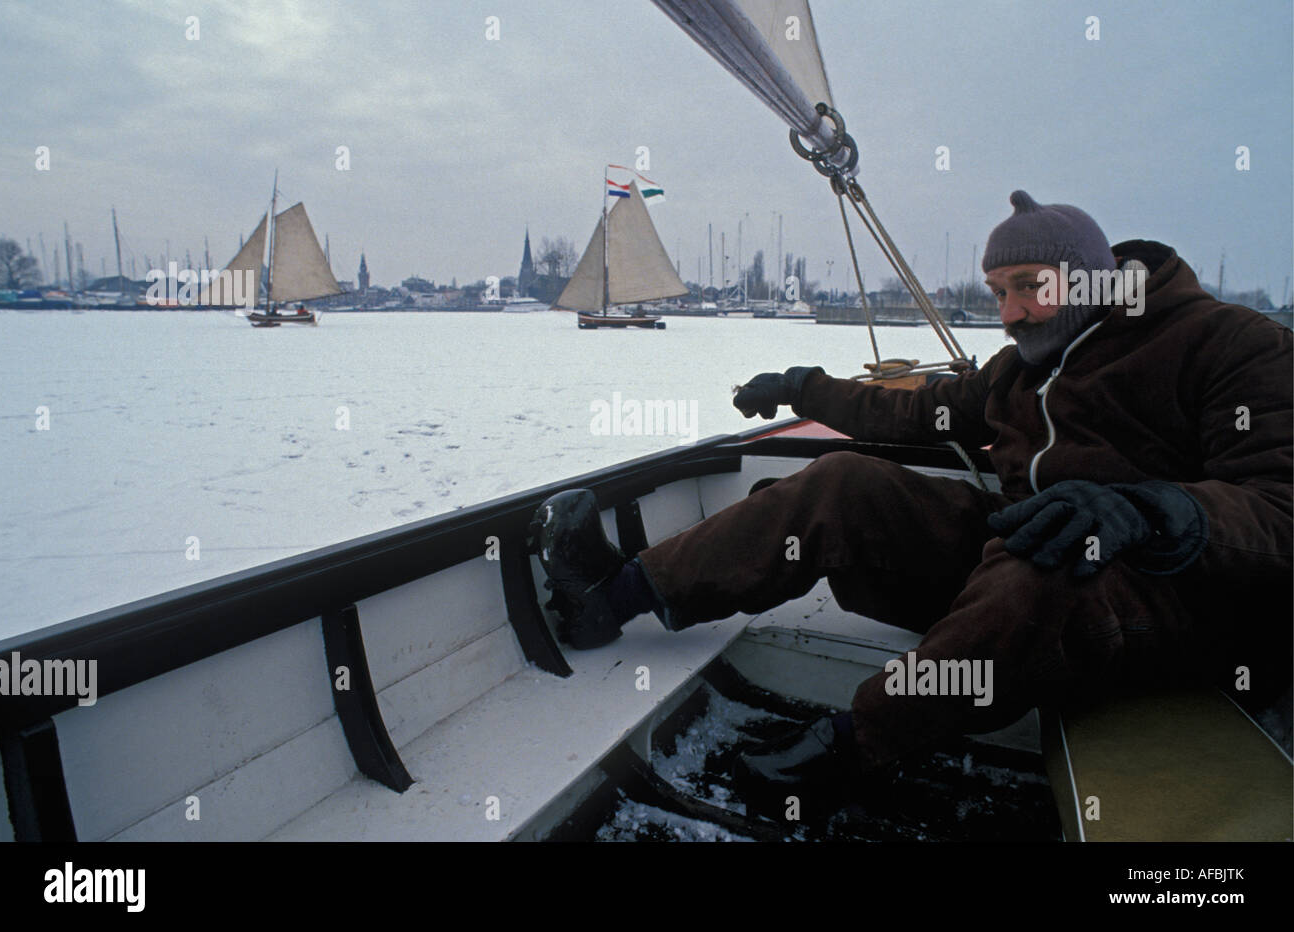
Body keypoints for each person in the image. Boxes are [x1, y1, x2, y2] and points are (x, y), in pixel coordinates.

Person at [533, 190, 1292, 816]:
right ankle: (613, 594)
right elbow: (912, 413)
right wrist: (803, 386)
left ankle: (852, 747)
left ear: (1089, 278)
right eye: (999, 294)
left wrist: (1156, 511)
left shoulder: (1225, 343)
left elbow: (1280, 507)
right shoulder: (1019, 369)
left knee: (1043, 564)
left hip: (1166, 606)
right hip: (1015, 584)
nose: (1011, 314)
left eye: (1031, 288)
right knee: (847, 482)